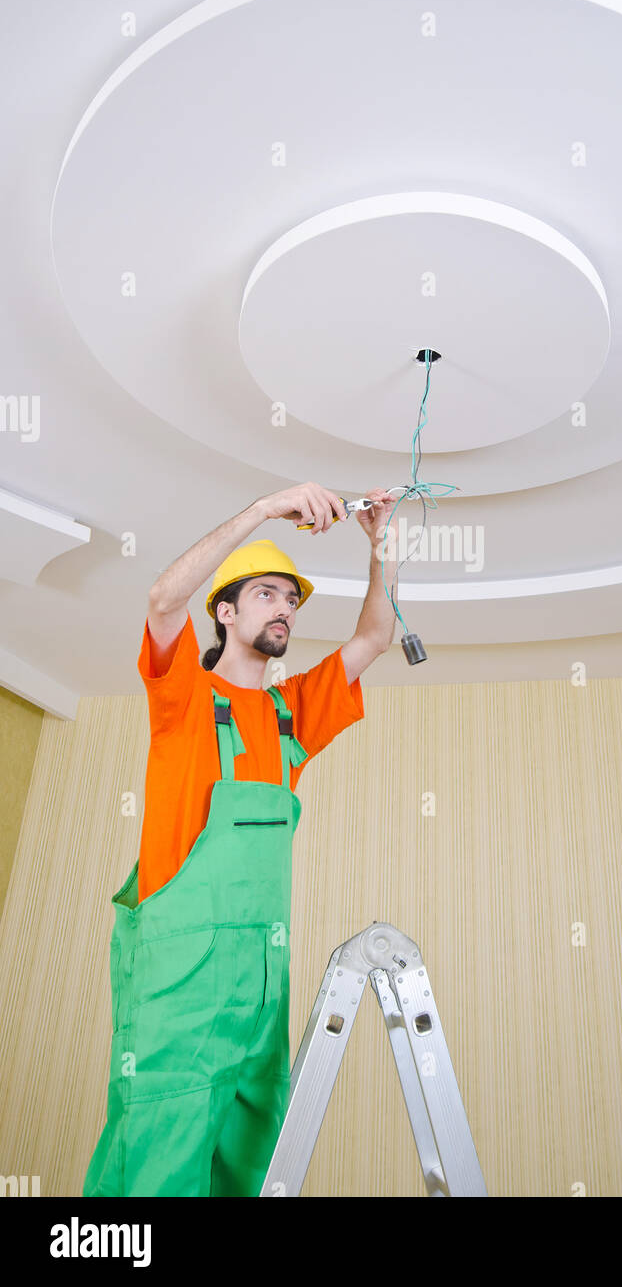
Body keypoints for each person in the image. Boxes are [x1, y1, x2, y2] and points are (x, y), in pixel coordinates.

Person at [83, 481, 398, 1196]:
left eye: (290, 599)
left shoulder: (293, 715)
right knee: (157, 1149)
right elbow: (163, 600)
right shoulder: (184, 702)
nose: (284, 608)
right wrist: (262, 511)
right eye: (265, 594)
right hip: (178, 979)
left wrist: (382, 547)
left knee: (249, 1156)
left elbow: (374, 638)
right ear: (224, 612)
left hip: (260, 984)